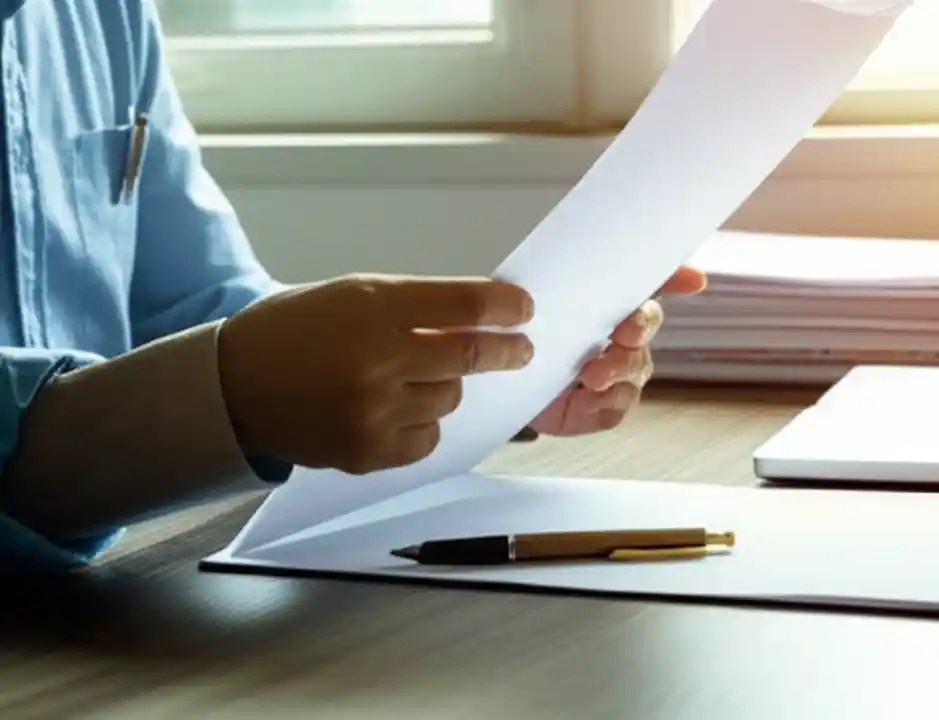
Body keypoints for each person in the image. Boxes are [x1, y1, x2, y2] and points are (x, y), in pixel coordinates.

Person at [0, 1, 706, 572]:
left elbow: (202, 309)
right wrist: (242, 391)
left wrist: (481, 371)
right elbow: (229, 371)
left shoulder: (101, 12)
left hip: (103, 612)